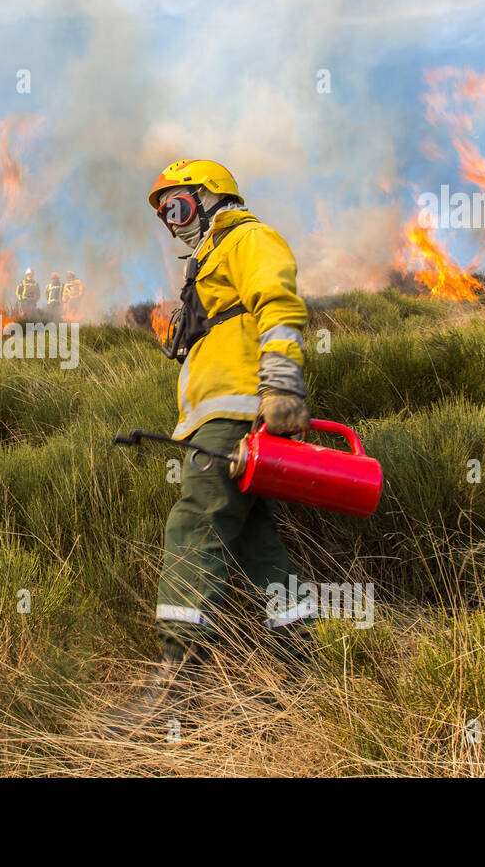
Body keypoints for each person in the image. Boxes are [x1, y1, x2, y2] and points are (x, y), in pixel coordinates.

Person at [101, 159, 316, 737]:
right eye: (164, 216)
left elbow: (280, 304)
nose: (172, 224)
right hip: (223, 421)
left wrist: (283, 384)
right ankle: (307, 680)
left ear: (208, 197)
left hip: (238, 415)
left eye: (176, 207)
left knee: (192, 526)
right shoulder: (206, 266)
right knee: (256, 544)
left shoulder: (247, 237)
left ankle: (176, 691)